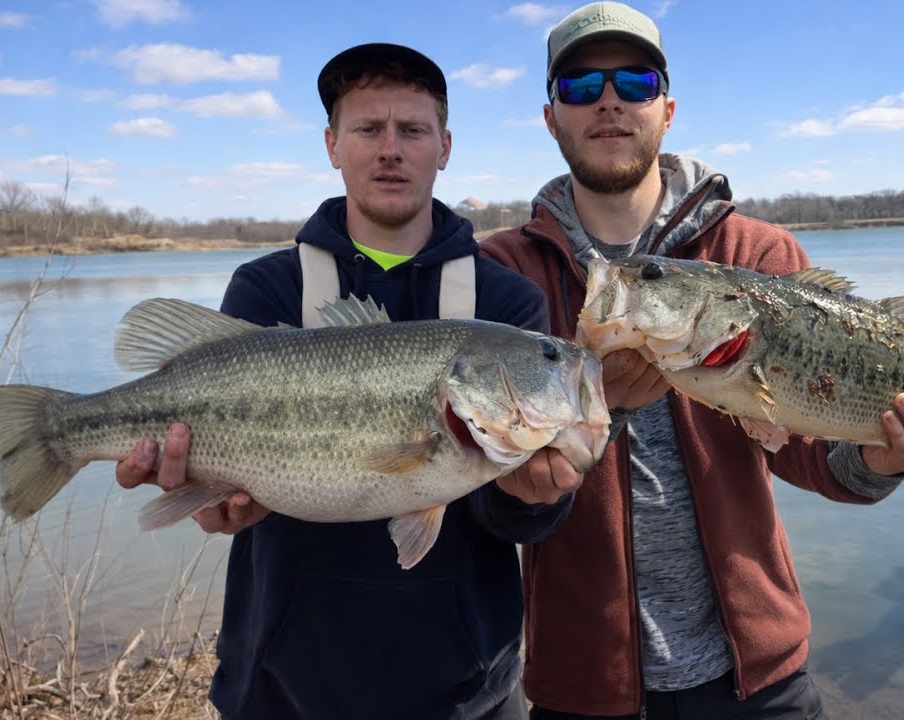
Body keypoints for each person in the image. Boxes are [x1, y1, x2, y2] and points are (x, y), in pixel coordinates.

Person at [480, 4, 904, 718]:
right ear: (551, 117)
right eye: (581, 87)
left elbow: (805, 450)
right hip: (583, 681)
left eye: (635, 82)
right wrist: (599, 410)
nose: (610, 101)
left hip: (759, 675)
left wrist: (884, 461)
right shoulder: (502, 274)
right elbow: (494, 491)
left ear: (668, 109)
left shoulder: (757, 256)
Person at [115, 43, 580, 719]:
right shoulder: (266, 286)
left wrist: (536, 496)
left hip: (468, 696)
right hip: (280, 690)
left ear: (444, 147)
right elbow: (223, 491)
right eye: (368, 129)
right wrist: (205, 498)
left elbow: (513, 519)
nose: (390, 149)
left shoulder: (504, 307)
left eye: (413, 130)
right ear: (333, 144)